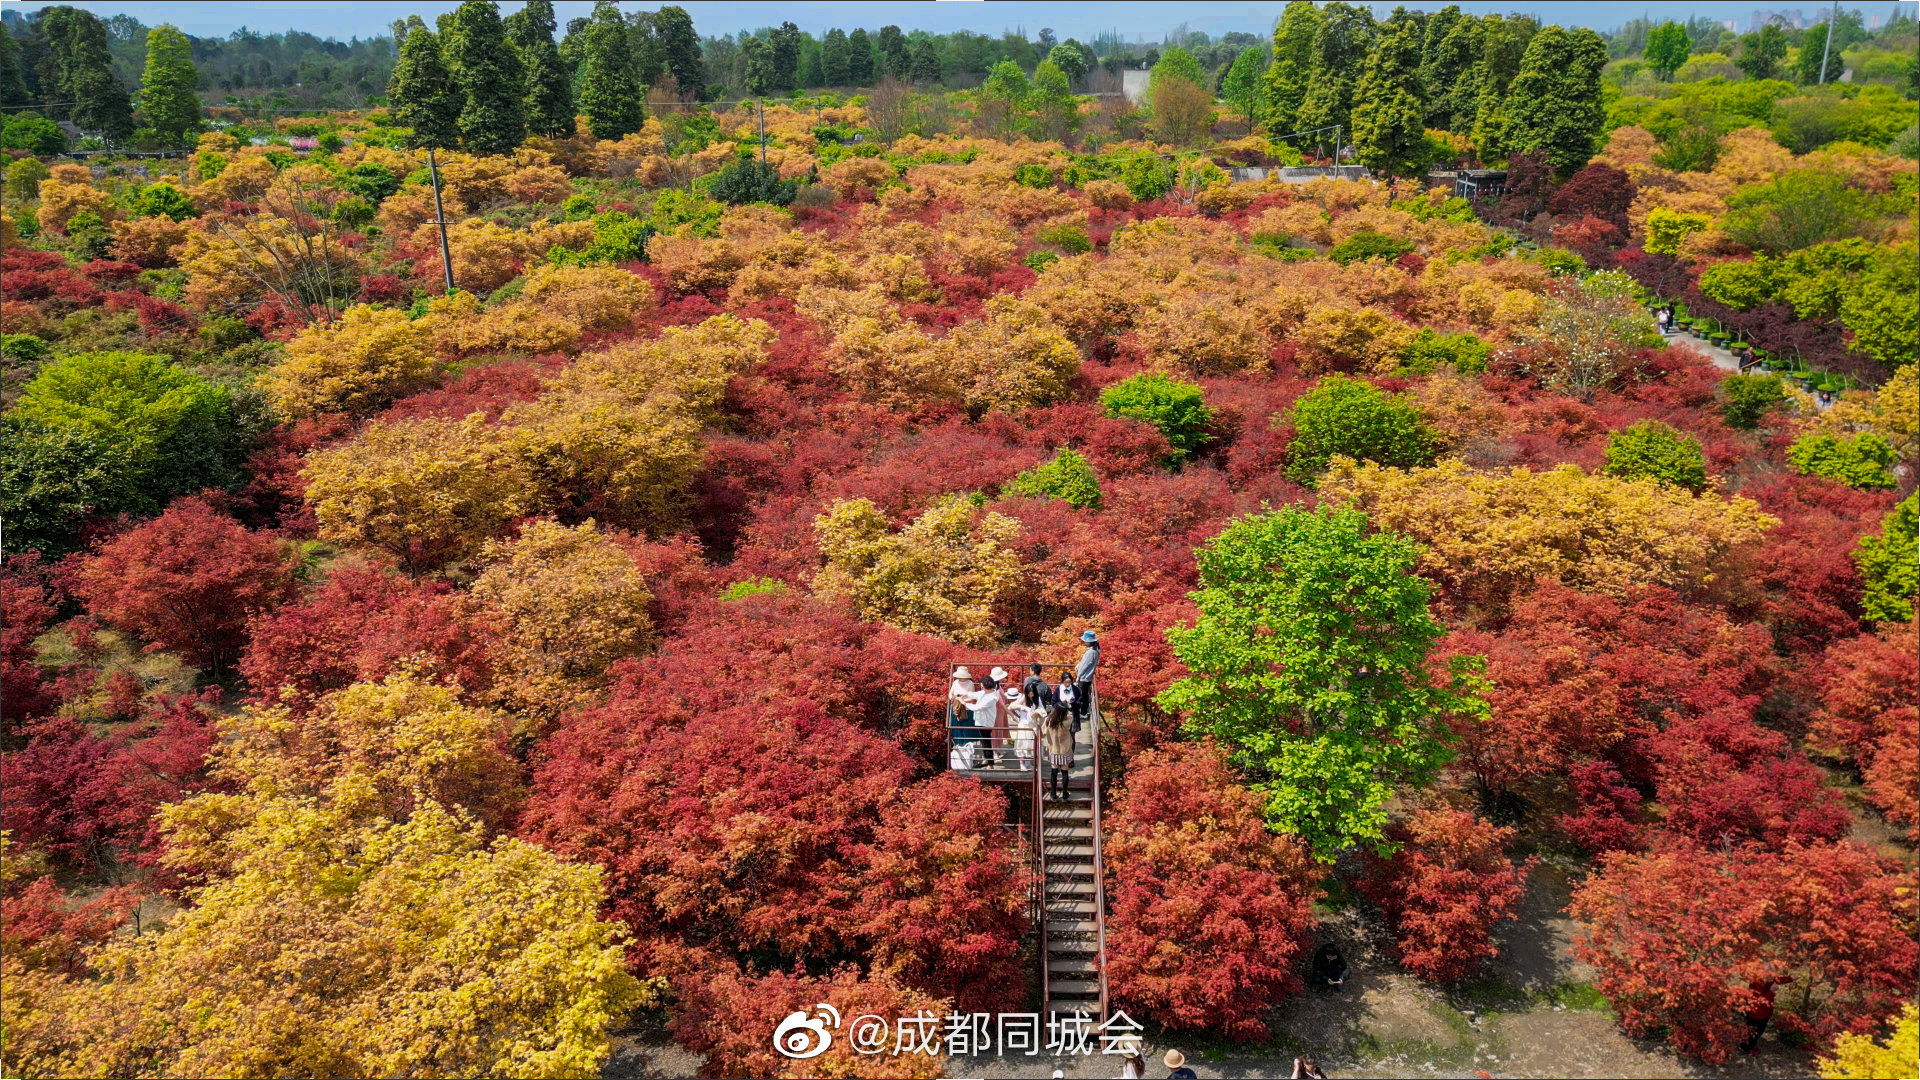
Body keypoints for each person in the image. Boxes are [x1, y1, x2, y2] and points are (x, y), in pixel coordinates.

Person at [1041, 704, 1076, 800]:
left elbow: (1043, 731)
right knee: (1065, 772)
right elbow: (1071, 715)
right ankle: (1064, 794)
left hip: (1053, 750)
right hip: (1065, 750)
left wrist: (1051, 714)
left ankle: (1053, 794)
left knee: (1054, 772)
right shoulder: (1066, 722)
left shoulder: (1048, 721)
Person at [948, 667, 981, 767]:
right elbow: (950, 694)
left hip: (966, 709)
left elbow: (972, 698)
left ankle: (966, 747)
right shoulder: (955, 682)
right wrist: (955, 699)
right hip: (956, 709)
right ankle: (959, 746)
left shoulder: (970, 684)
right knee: (957, 728)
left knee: (966, 729)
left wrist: (962, 700)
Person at [1741, 977, 1779, 1055]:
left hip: (1764, 1013)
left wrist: (1790, 978)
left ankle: (1750, 1045)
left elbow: (1777, 979)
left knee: (1758, 1030)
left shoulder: (1764, 978)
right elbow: (1761, 1002)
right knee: (1754, 1031)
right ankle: (1747, 1048)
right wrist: (1771, 990)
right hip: (1757, 1014)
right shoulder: (1758, 984)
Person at [1074, 631, 1100, 728]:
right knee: (1083, 694)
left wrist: (1078, 675)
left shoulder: (1091, 652)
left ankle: (1083, 712)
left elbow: (1085, 665)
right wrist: (1079, 665)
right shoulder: (1094, 650)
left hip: (1084, 677)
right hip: (1087, 676)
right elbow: (1084, 663)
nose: (1084, 642)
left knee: (1082, 694)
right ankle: (1083, 711)